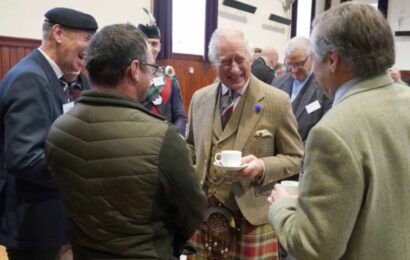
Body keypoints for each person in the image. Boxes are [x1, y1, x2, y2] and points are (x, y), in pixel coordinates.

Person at [45, 23, 207, 259]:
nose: (152, 75)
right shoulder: (163, 138)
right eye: (150, 67)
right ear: (134, 70)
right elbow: (192, 212)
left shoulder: (58, 130)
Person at [268, 3, 410, 259]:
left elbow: (313, 248)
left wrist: (281, 206)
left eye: (313, 57)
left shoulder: (332, 132)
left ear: (332, 59)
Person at [186, 28, 303, 259]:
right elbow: (191, 148)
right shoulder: (200, 99)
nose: (235, 68)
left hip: (253, 219)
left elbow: (295, 158)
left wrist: (262, 166)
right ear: (213, 64)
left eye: (240, 59)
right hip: (203, 215)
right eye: (225, 61)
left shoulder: (276, 101)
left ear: (250, 57)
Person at [0, 7, 97, 260]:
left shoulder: (77, 81)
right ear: (58, 33)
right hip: (38, 228)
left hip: (67, 225)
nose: (92, 48)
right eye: (87, 39)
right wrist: (85, 171)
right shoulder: (28, 79)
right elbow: (25, 159)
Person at [272, 36, 331, 143]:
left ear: (311, 58)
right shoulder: (277, 83)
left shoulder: (326, 87)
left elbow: (324, 131)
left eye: (299, 64)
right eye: (289, 64)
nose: (294, 70)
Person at [138, 22, 187, 136]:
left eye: (154, 44)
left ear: (160, 46)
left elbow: (180, 116)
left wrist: (175, 137)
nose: (150, 48)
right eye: (146, 43)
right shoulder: (129, 76)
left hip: (165, 139)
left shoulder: (168, 75)